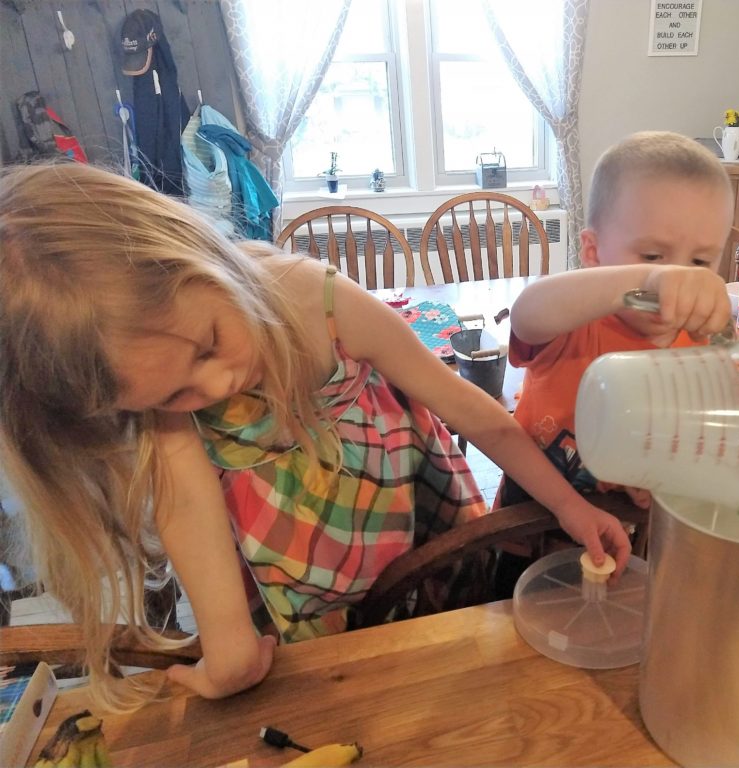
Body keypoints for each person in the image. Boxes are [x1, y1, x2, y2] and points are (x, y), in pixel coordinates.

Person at [0, 162, 631, 711]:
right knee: (346, 696)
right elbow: (185, 506)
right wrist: (230, 651)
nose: (218, 384)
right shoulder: (154, 388)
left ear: (196, 255)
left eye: (211, 344)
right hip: (299, 578)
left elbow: (471, 408)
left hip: (413, 515)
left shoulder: (319, 303)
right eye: (173, 398)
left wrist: (568, 505)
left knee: (454, 657)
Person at [496, 130, 734, 530]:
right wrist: (646, 279)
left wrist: (661, 475)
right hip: (530, 526)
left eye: (700, 262)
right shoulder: (575, 322)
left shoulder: (697, 340)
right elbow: (526, 314)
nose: (675, 281)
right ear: (593, 252)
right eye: (653, 255)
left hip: (626, 530)